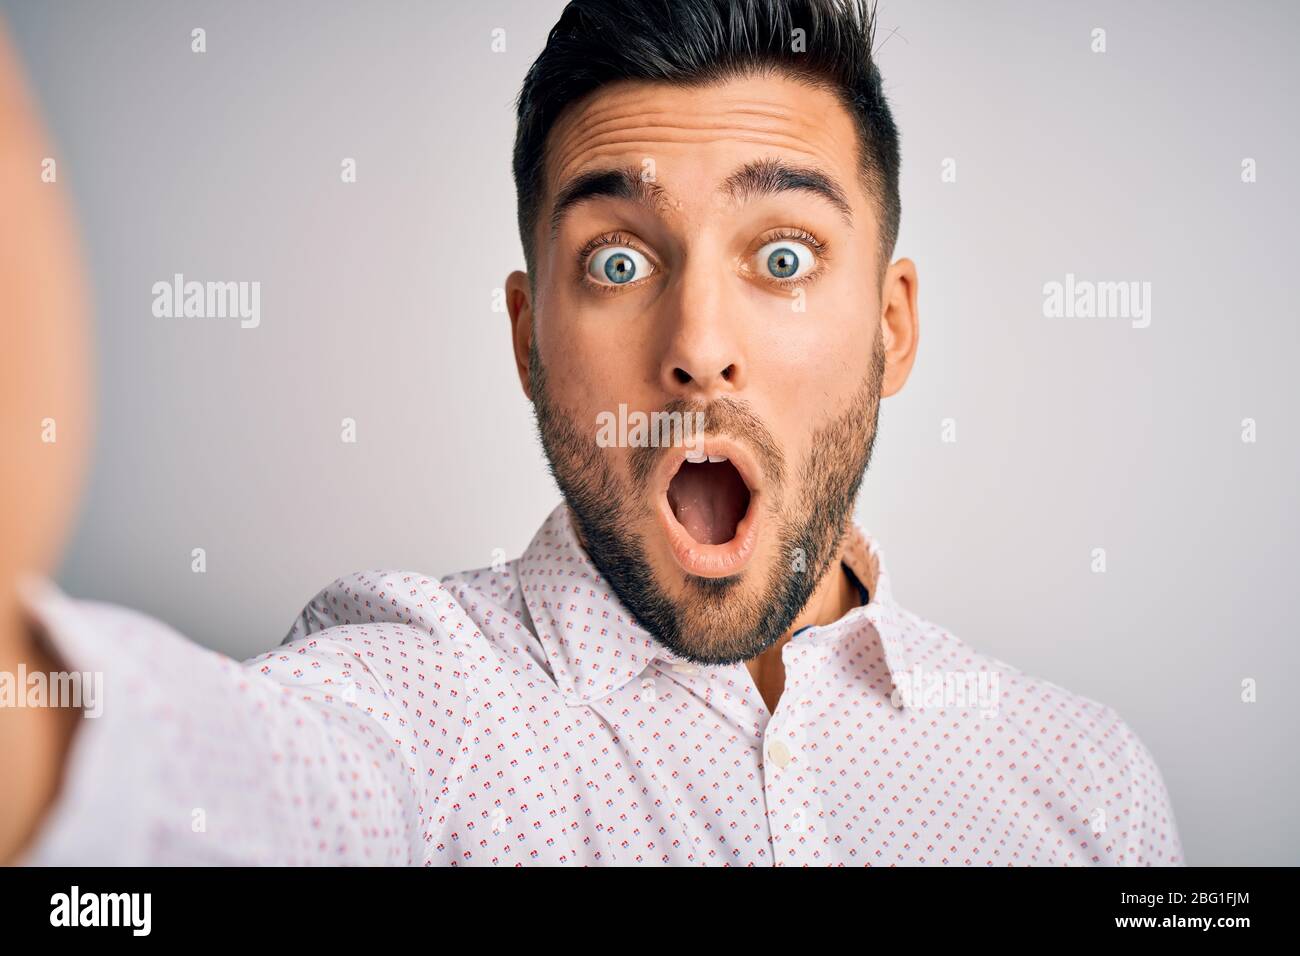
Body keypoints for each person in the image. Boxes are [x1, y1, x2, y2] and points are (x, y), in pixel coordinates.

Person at [1, 0, 1181, 866]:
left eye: (782, 256)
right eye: (617, 260)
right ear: (528, 339)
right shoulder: (426, 690)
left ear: (890, 329)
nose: (698, 346)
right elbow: (243, 781)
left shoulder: (1086, 783)